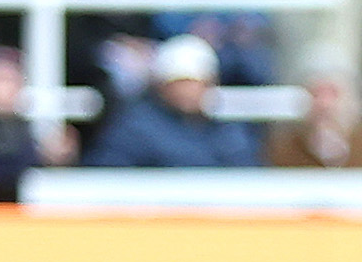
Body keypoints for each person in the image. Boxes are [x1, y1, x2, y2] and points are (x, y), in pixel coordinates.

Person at [86, 33, 261, 167]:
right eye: (179, 83)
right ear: (161, 86)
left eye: (194, 83)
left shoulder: (229, 131)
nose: (187, 91)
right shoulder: (134, 129)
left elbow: (248, 177)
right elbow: (107, 176)